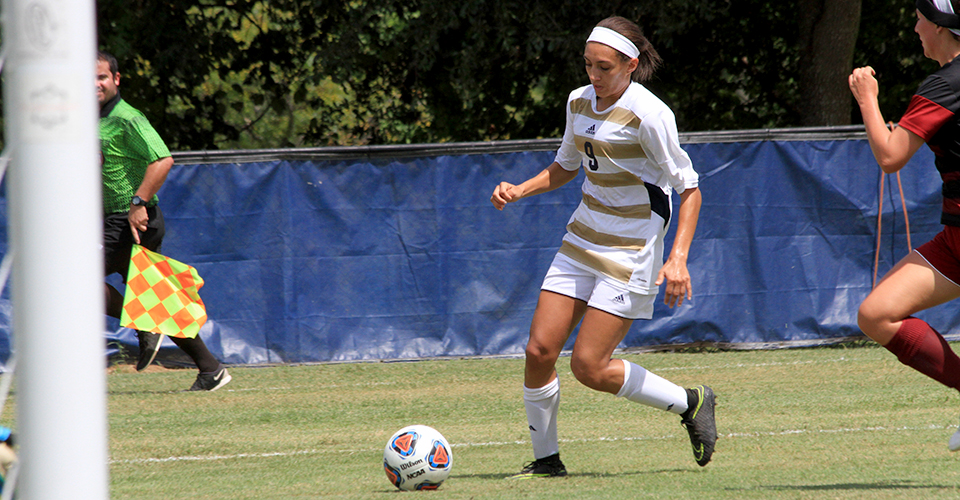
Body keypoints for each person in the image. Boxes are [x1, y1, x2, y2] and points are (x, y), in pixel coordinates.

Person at [490, 16, 715, 477]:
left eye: (604, 67)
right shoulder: (578, 101)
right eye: (588, 65)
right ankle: (547, 461)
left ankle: (690, 402)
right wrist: (521, 189)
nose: (594, 76)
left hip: (630, 252)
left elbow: (689, 188)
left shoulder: (650, 114)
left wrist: (677, 258)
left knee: (590, 368)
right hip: (581, 239)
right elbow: (566, 166)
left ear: (630, 65)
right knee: (538, 352)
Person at [849, 0, 960, 450]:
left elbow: (891, 156)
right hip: (955, 239)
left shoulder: (946, 83)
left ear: (941, 27)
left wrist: (867, 99)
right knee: (877, 315)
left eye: (920, 20)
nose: (915, 28)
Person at [97, 51, 231, 391]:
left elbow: (162, 160)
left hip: (130, 220)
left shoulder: (128, 118)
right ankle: (210, 368)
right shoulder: (86, 117)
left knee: (75, 283)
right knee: (160, 301)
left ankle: (146, 322)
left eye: (100, 77)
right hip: (110, 220)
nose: (94, 84)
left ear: (116, 78)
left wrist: (138, 202)